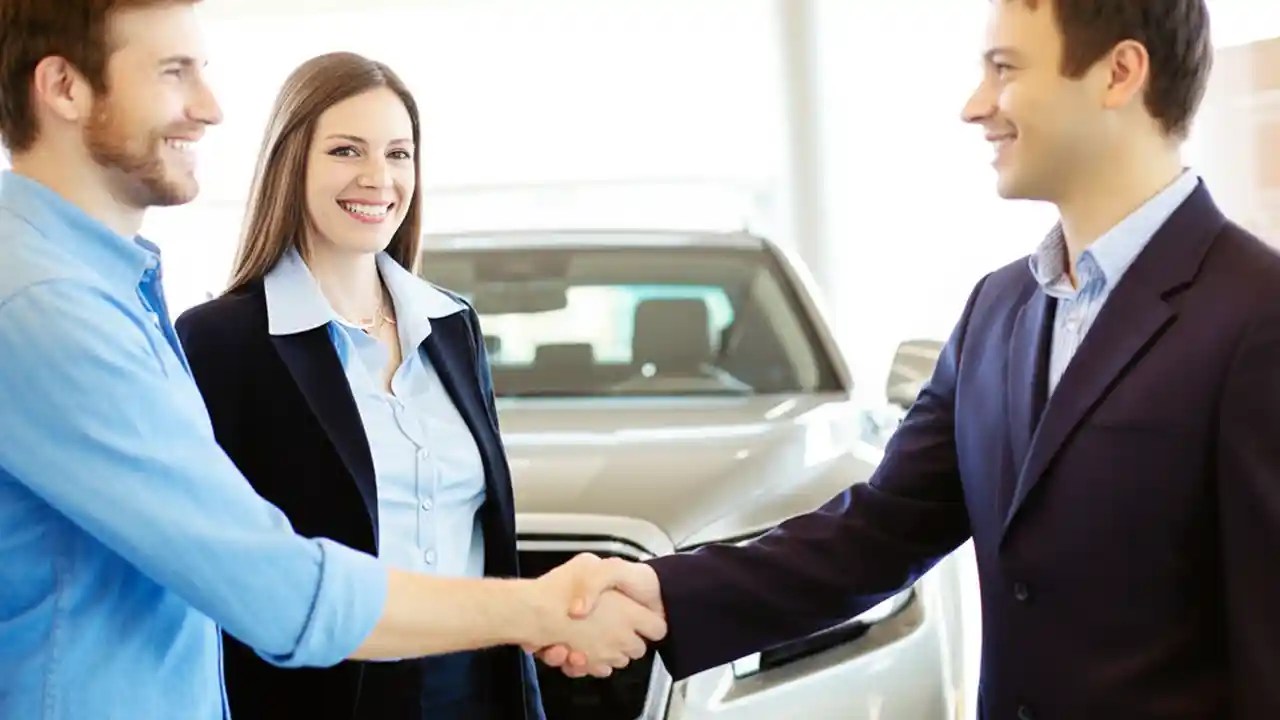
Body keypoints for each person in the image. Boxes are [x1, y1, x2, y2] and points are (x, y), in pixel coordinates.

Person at [540, 0, 1280, 717]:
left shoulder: (1257, 315)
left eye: (1004, 68)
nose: (974, 106)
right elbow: (876, 534)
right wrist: (661, 593)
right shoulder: (998, 310)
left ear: (1119, 73)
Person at [0, 2, 663, 719]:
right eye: (173, 72)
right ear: (64, 88)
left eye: (398, 153)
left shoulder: (105, 290)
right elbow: (275, 588)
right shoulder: (47, 307)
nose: (212, 107)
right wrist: (539, 610)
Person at [173, 51, 541, 720]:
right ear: (292, 163)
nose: (378, 178)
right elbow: (212, 567)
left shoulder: (451, 325)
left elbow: (492, 546)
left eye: (398, 154)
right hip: (318, 696)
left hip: (474, 685)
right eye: (347, 151)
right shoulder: (222, 341)